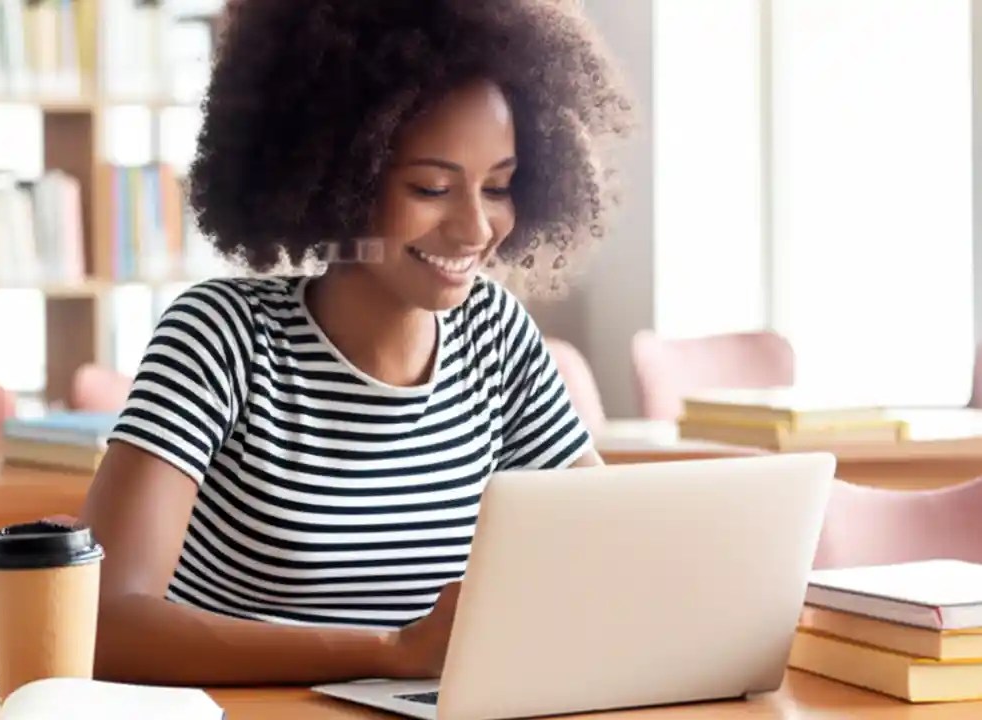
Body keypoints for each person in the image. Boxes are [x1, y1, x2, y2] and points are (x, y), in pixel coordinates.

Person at [80, 0, 632, 688]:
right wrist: (390, 651)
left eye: (498, 186)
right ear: (340, 176)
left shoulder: (495, 334)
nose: (473, 229)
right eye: (431, 187)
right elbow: (103, 625)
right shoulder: (220, 338)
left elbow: (614, 550)